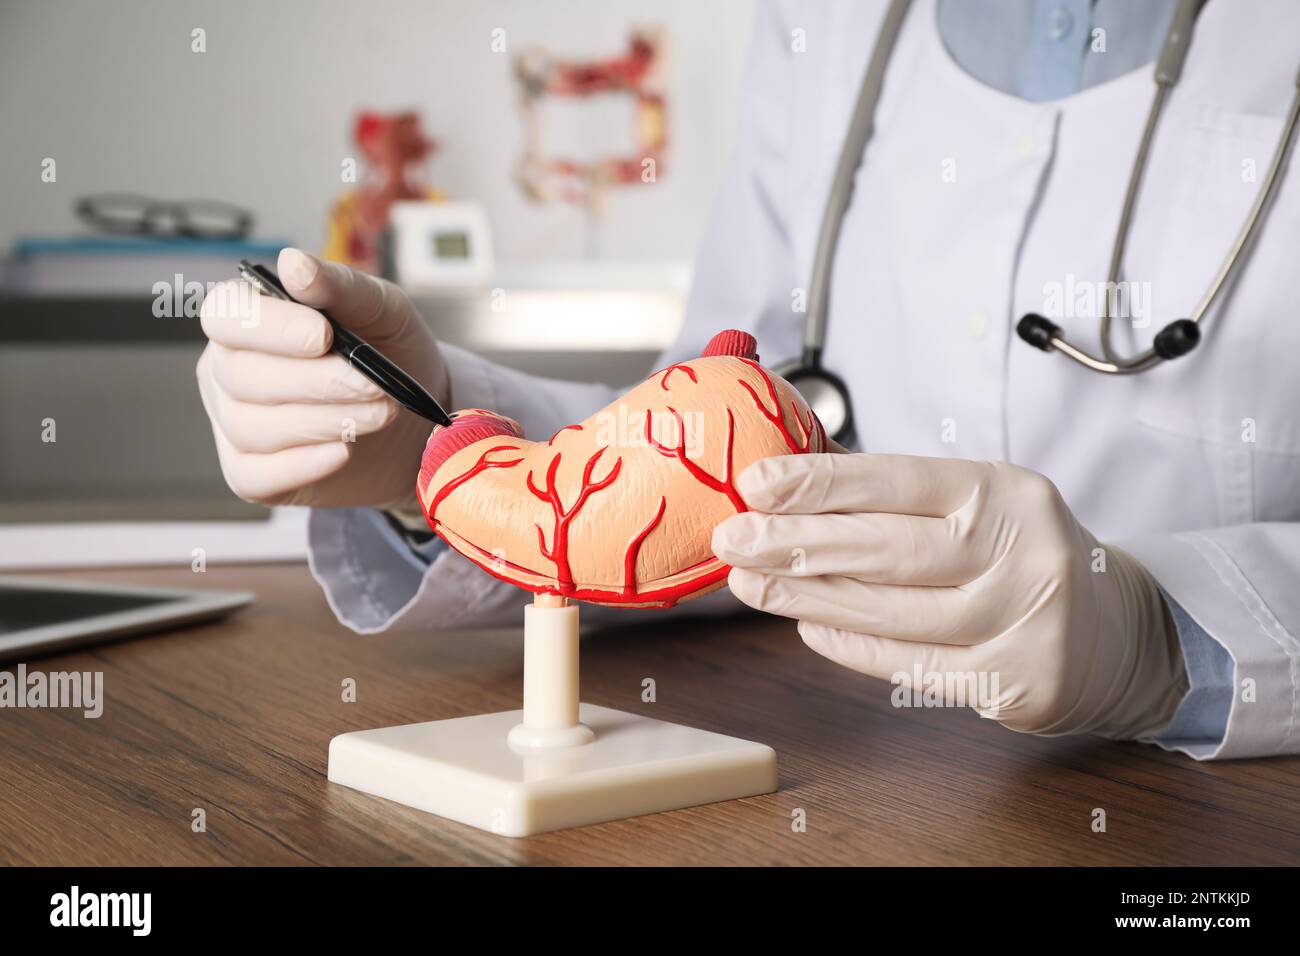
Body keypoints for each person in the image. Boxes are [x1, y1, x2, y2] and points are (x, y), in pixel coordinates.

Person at [195, 0, 1300, 759]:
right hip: (854, 774)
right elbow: (707, 455)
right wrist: (430, 437)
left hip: (1215, 809)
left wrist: (1173, 638)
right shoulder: (827, 21)